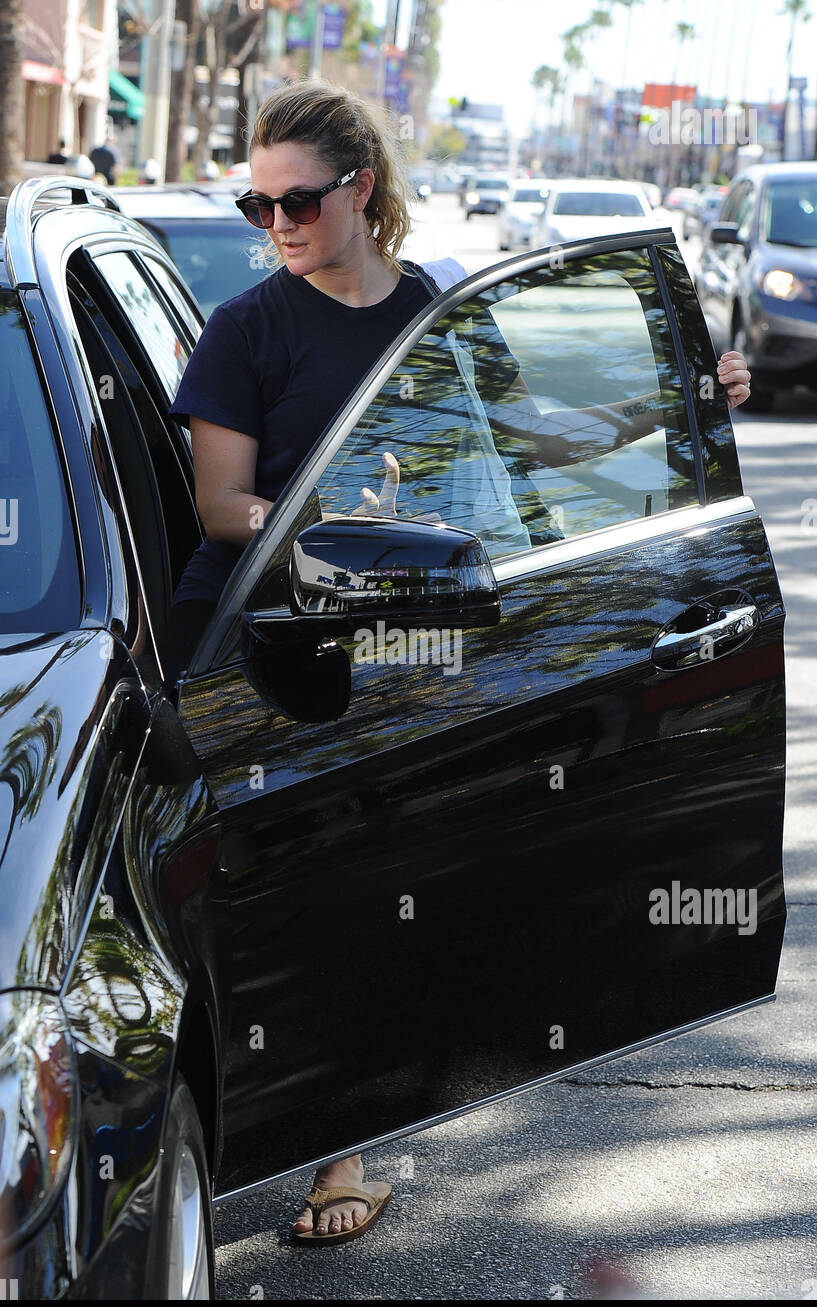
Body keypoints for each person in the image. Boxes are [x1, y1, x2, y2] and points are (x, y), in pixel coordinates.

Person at [161, 78, 752, 1246]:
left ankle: (342, 1157)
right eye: (256, 205)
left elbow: (530, 443)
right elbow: (223, 507)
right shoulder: (248, 328)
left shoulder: (429, 314)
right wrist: (321, 513)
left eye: (297, 203)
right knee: (255, 901)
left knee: (370, 893)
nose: (275, 227)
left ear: (360, 190)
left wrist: (673, 405)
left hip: (401, 639)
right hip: (260, 646)